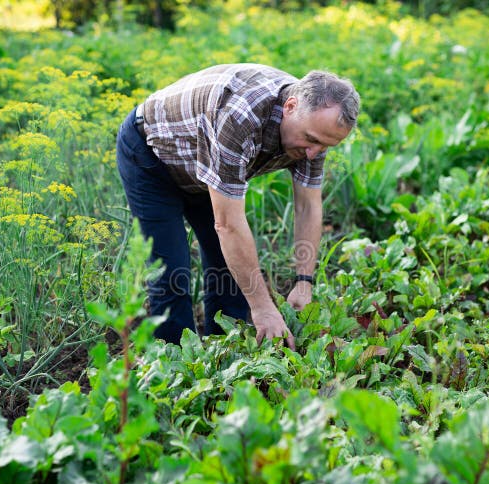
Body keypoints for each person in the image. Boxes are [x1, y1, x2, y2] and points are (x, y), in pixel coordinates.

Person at [115, 63, 359, 348]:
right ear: (291, 106)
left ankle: (226, 350)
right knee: (171, 271)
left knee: (228, 267)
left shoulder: (314, 131)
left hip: (206, 165)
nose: (313, 153)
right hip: (152, 156)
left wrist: (303, 281)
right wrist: (264, 308)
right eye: (311, 140)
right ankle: (174, 365)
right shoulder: (239, 115)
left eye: (325, 146)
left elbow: (308, 206)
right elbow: (228, 224)